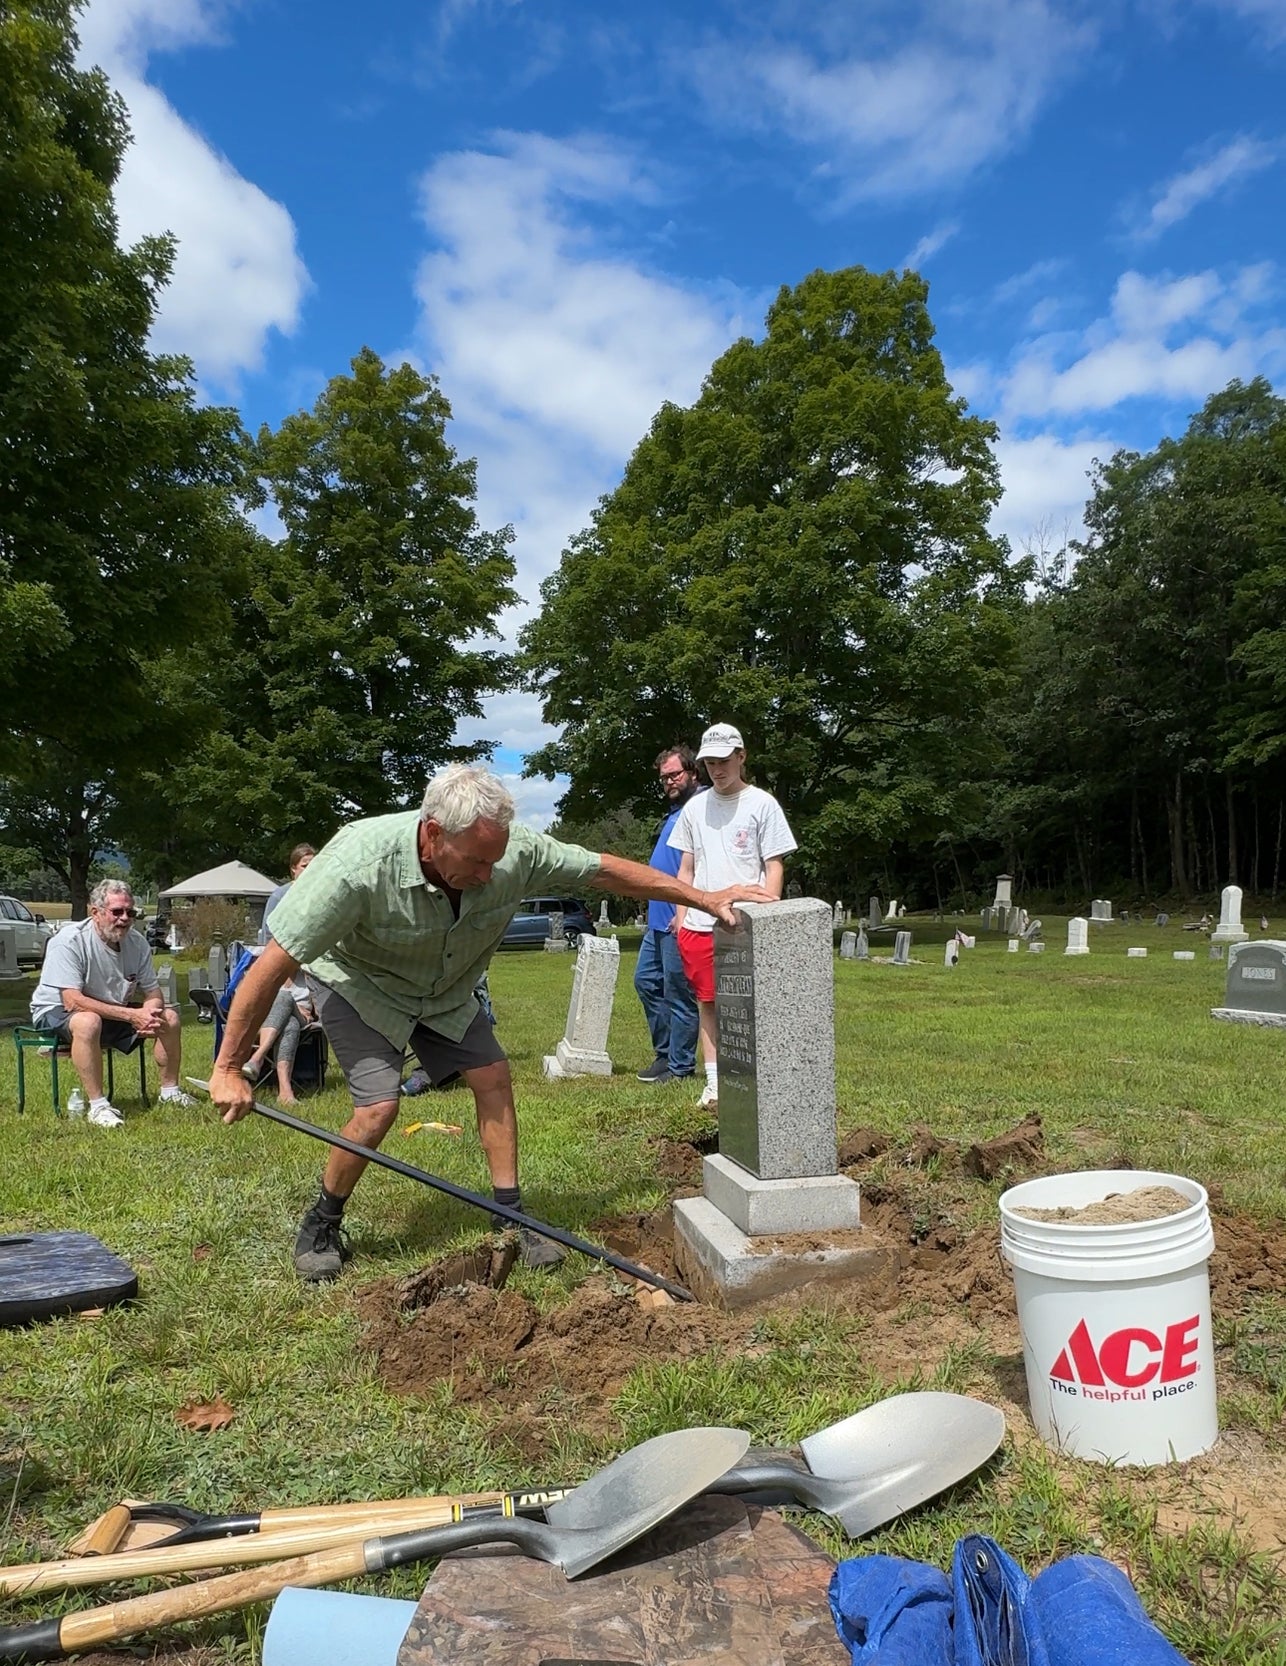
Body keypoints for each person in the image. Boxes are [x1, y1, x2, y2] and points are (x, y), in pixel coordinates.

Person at [205, 764, 772, 1283]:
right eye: (476, 861)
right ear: (431, 835)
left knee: (494, 1076)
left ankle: (509, 1213)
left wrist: (699, 895)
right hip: (363, 985)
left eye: (495, 860)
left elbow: (603, 872)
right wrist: (229, 1067)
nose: (487, 873)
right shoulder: (356, 865)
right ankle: (324, 1222)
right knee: (378, 1107)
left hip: (446, 989)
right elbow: (272, 963)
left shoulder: (511, 852)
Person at [669, 724, 796, 1111]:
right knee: (708, 1004)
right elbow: (685, 870)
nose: (717, 770)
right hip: (699, 925)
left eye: (724, 761)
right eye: (709, 763)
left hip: (746, 921)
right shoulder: (694, 808)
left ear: (741, 757)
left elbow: (773, 864)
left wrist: (768, 908)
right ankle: (714, 1084)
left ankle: (759, 1079)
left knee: (749, 1005)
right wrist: (680, 917)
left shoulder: (762, 804)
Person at [29, 880, 196, 1127]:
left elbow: (152, 991)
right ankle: (98, 1106)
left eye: (130, 912)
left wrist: (150, 1011)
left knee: (168, 1018)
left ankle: (169, 1091)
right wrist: (131, 1016)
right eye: (117, 912)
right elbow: (72, 1000)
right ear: (95, 913)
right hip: (56, 1009)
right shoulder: (70, 941)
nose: (125, 918)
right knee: (87, 1021)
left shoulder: (137, 943)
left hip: (109, 1007)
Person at [634, 744, 701, 1085]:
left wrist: (684, 910)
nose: (669, 782)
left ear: (692, 773)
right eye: (664, 778)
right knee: (646, 981)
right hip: (658, 920)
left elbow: (704, 865)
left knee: (679, 992)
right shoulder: (675, 813)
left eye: (675, 774)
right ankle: (665, 1055)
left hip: (680, 918)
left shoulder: (703, 809)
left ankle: (680, 1068)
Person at [259, 843, 315, 944]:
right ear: (294, 868)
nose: (309, 870)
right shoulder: (280, 895)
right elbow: (268, 931)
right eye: (304, 866)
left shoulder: (319, 892)